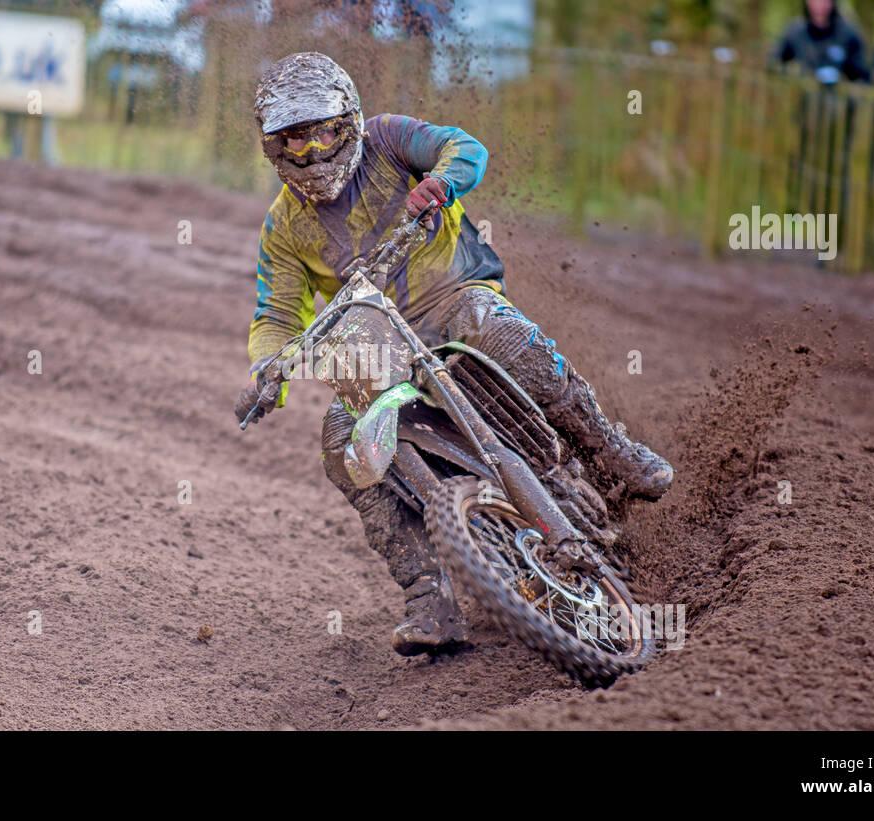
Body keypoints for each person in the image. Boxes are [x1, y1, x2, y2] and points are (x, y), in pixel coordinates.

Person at [234, 53, 673, 657]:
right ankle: (427, 595)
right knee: (341, 442)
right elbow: (277, 314)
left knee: (490, 326)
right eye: (294, 142)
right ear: (273, 148)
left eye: (324, 134)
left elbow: (464, 147)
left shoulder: (389, 139)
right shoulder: (283, 227)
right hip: (379, 342)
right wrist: (267, 371)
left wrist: (441, 182)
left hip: (454, 298)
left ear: (351, 122)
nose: (311, 152)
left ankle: (610, 449)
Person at [773, 0, 870, 84]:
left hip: (840, 101)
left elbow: (862, 73)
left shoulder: (848, 34)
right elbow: (774, 62)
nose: (819, 5)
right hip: (802, 100)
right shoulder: (795, 32)